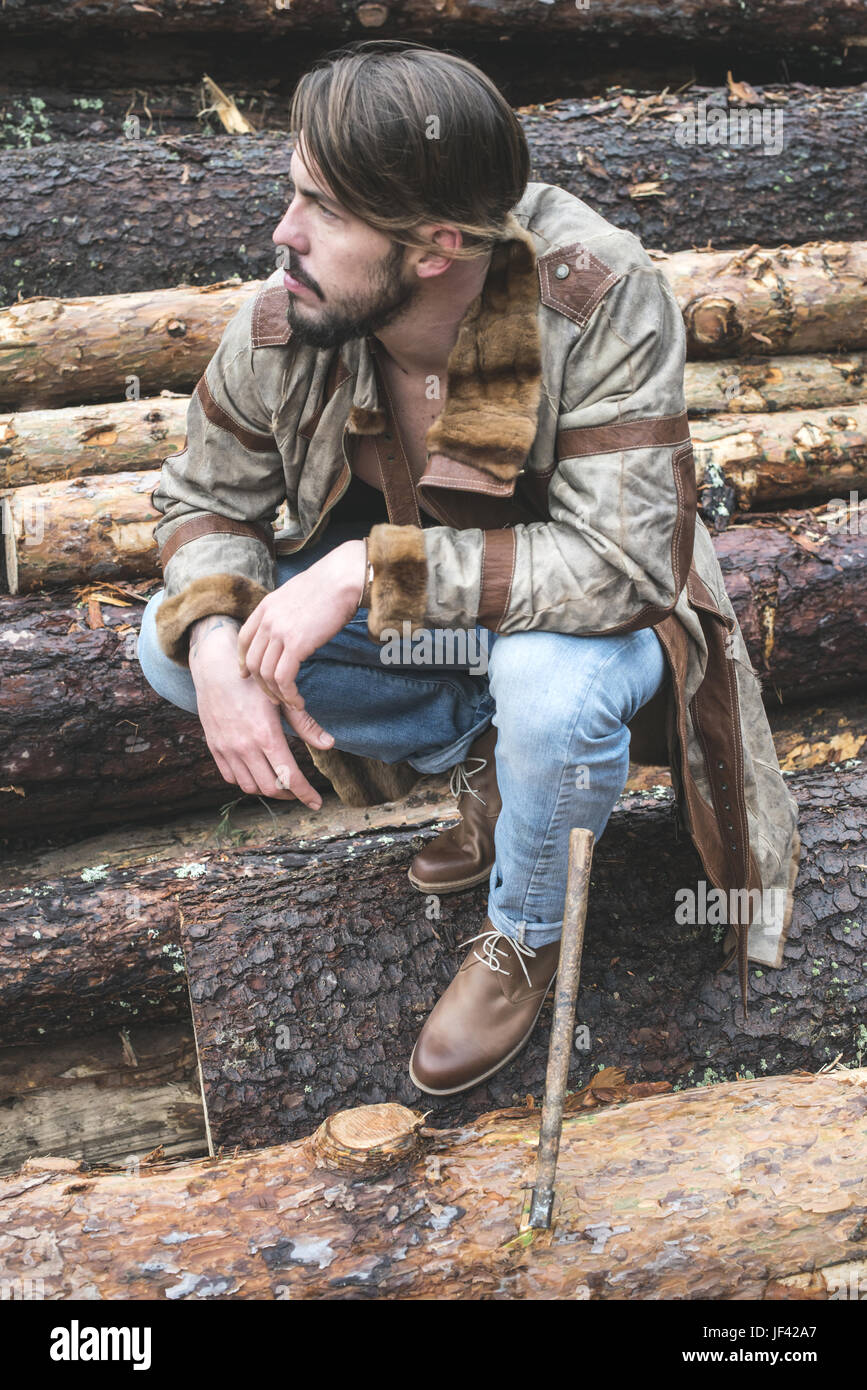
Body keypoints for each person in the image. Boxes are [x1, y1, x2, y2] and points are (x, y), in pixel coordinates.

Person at [138, 39, 800, 1097]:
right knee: (172, 649)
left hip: (599, 624)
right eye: (292, 192)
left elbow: (622, 566)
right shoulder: (296, 307)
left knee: (547, 686)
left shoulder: (597, 296)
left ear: (435, 247)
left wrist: (365, 567)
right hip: (453, 624)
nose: (284, 233)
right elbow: (203, 498)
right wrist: (218, 639)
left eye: (324, 208)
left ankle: (525, 935)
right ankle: (481, 763)